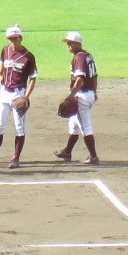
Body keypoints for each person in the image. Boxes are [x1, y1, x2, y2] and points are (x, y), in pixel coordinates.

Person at [0, 26, 37, 169]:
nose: (13, 41)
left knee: (19, 127)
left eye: (15, 38)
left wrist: (26, 97)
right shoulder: (5, 50)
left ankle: (15, 158)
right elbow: (1, 66)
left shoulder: (28, 56)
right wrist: (0, 77)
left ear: (20, 38)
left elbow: (33, 78)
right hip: (4, 92)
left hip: (18, 94)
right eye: (10, 39)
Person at [54, 32, 98, 165]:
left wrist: (71, 96)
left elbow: (80, 80)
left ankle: (93, 157)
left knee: (85, 127)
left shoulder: (79, 57)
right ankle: (67, 152)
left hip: (82, 95)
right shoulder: (88, 55)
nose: (68, 45)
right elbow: (95, 76)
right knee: (73, 124)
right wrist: (94, 92)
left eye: (70, 43)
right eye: (67, 42)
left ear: (78, 43)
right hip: (88, 94)